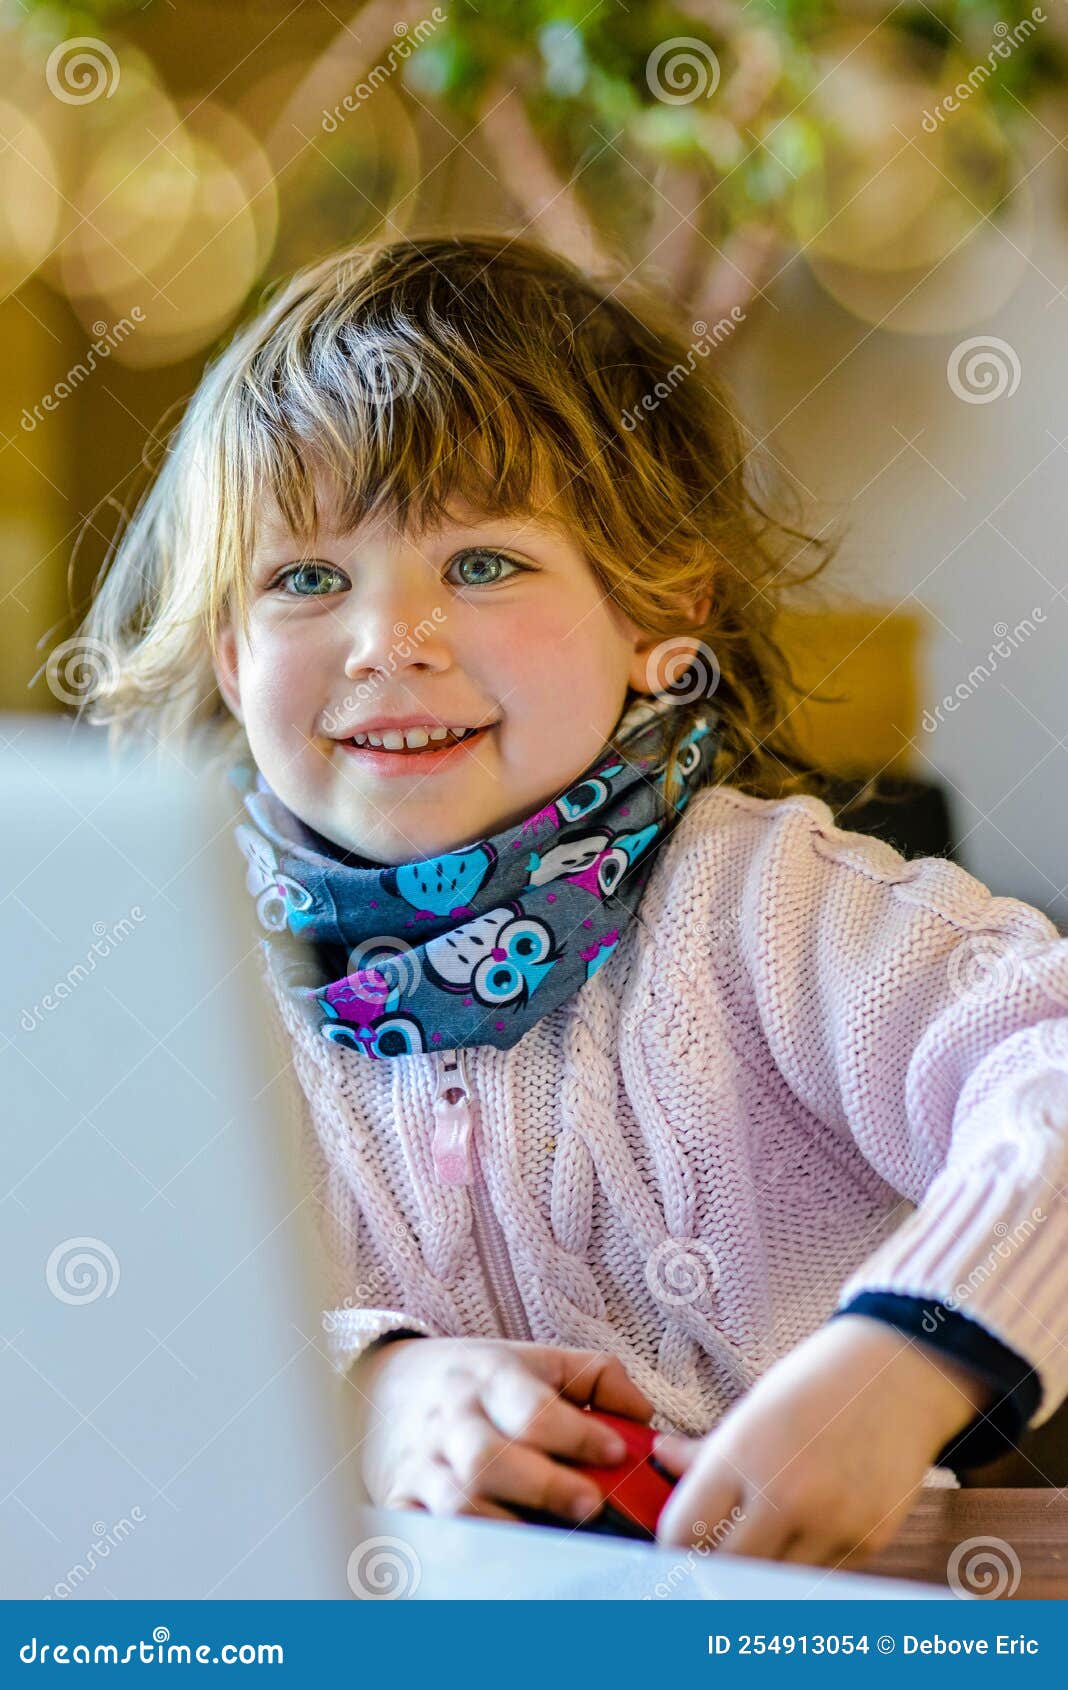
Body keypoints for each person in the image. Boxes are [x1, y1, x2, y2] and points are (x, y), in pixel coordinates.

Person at [75, 231, 1068, 1570]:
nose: (389, 641)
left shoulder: (770, 903)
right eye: (309, 576)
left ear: (660, 614)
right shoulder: (183, 992)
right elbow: (96, 1310)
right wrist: (366, 1394)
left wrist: (909, 1352)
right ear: (233, 650)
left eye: (481, 562)